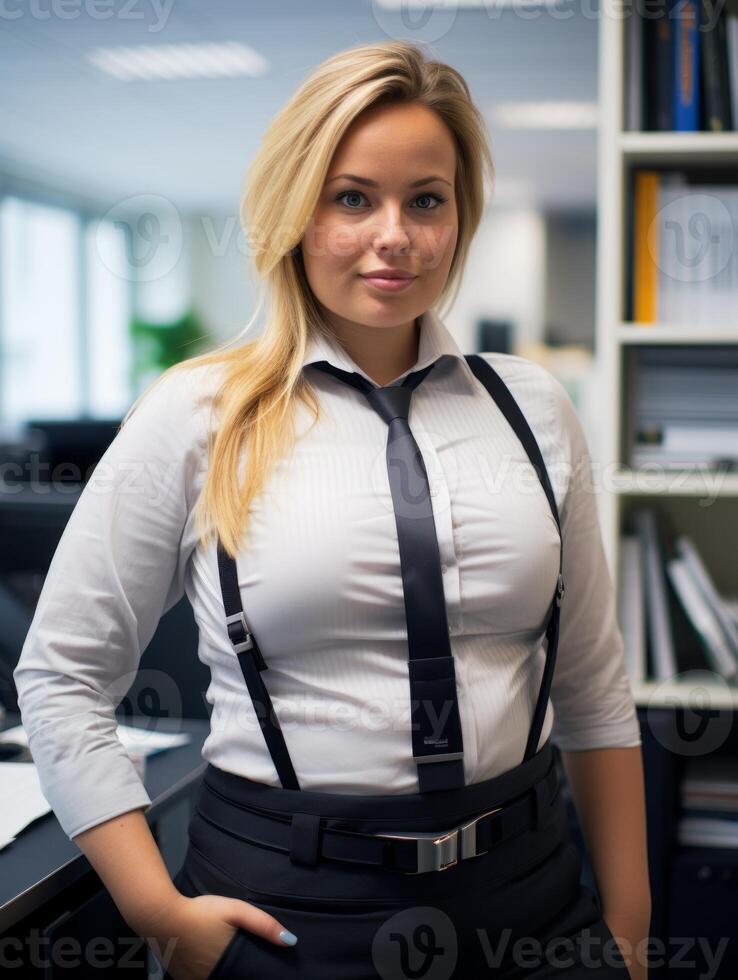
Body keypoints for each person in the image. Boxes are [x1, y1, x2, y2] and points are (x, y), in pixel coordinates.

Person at [14, 40, 651, 980]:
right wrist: (158, 913)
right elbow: (62, 676)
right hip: (288, 915)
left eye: (426, 200)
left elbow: (593, 687)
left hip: (533, 902)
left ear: (461, 217)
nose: (395, 235)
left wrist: (629, 931)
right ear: (294, 212)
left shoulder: (533, 409)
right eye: (352, 198)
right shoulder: (199, 413)